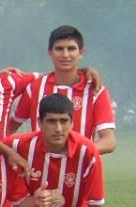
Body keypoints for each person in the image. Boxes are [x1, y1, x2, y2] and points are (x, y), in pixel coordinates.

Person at [7, 25, 116, 154]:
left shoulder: (96, 91)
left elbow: (109, 141)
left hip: (77, 171)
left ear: (81, 52)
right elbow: (8, 129)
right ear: (50, 53)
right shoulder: (35, 88)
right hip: (38, 171)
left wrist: (76, 153)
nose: (65, 55)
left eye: (71, 49)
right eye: (59, 49)